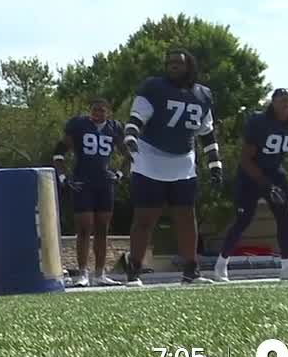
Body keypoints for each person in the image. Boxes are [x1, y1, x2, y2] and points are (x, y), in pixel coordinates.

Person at [122, 49, 222, 286]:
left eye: (178, 62)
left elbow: (207, 134)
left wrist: (215, 164)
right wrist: (131, 136)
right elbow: (137, 118)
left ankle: (191, 270)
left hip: (183, 162)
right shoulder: (154, 87)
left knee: (187, 217)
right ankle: (134, 270)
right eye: (170, 62)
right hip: (150, 159)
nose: (173, 66)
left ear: (190, 65)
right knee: (145, 218)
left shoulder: (203, 94)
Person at [213, 89, 288, 282]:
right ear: (273, 103)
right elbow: (245, 159)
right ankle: (221, 265)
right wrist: (266, 185)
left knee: (284, 218)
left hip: (274, 171)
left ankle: (287, 267)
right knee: (243, 219)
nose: (286, 105)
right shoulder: (260, 122)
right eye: (282, 101)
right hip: (250, 175)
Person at [53, 98, 126, 287]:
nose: (98, 113)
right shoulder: (79, 125)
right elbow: (59, 153)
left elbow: (130, 154)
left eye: (102, 110)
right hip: (82, 181)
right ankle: (82, 273)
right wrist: (63, 178)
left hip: (104, 182)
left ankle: (100, 273)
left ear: (108, 112)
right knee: (84, 228)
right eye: (94, 110)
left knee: (102, 229)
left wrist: (119, 174)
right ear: (90, 111)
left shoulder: (115, 128)